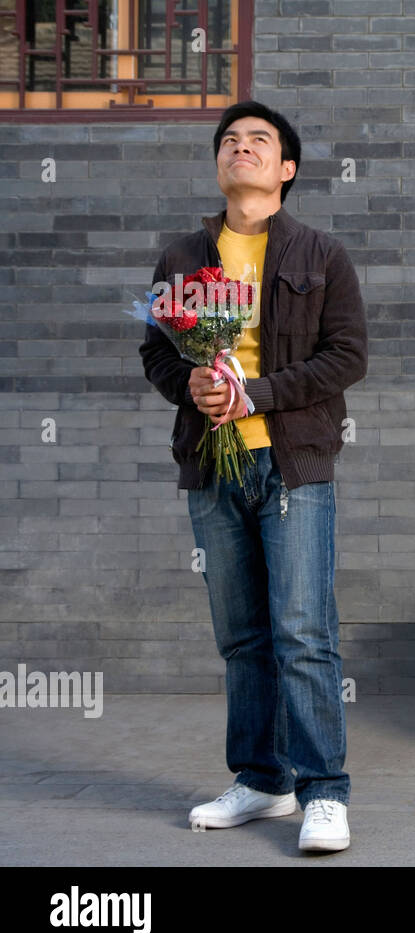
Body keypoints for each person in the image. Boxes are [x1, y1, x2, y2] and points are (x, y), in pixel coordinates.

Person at [139, 101, 367, 853]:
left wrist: (255, 394)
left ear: (287, 169)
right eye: (230, 141)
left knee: (303, 632)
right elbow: (158, 355)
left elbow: (347, 357)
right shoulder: (181, 255)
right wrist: (193, 387)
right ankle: (262, 779)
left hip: (293, 462)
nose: (242, 148)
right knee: (242, 638)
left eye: (259, 141)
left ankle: (324, 792)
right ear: (218, 165)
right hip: (212, 464)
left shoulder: (321, 255)